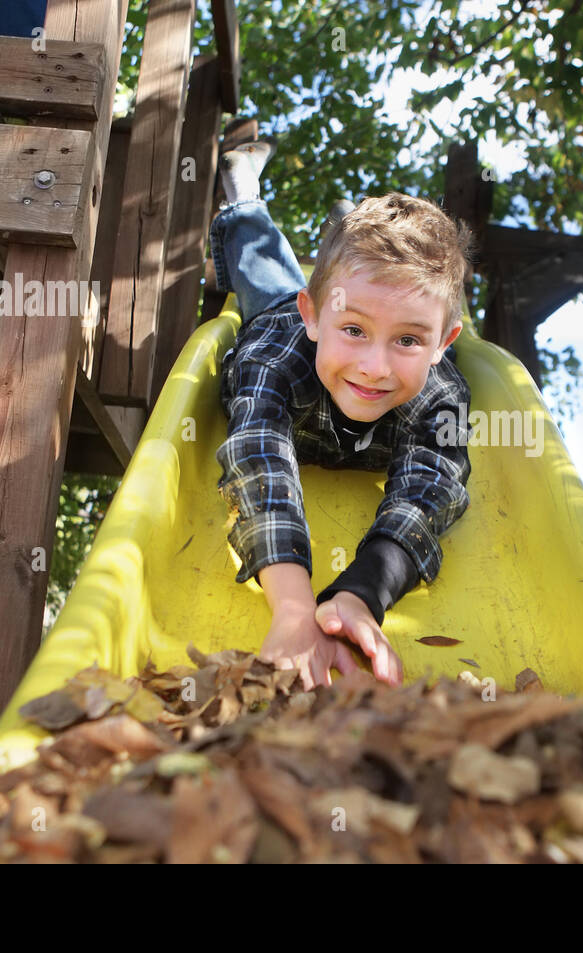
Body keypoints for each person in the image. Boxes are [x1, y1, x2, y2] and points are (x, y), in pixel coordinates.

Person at [210, 141, 473, 693]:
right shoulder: (278, 355)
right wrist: (291, 607)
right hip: (279, 318)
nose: (374, 367)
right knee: (263, 267)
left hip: (347, 310)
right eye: (354, 330)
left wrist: (359, 595)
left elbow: (431, 485)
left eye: (407, 339)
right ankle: (246, 199)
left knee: (355, 280)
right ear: (318, 316)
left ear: (443, 344)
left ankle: (345, 221)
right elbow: (259, 457)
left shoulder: (440, 392)